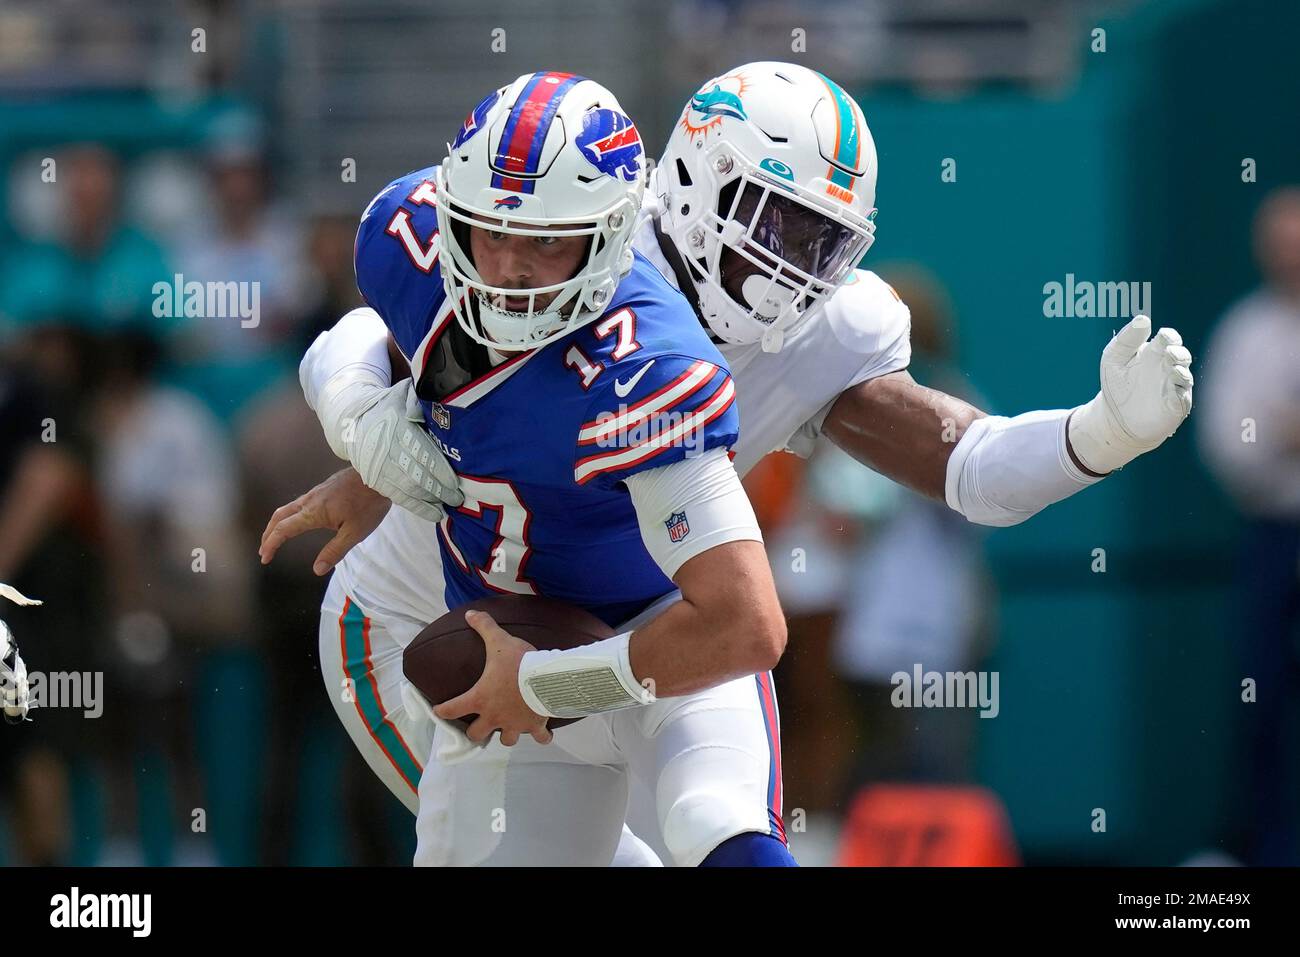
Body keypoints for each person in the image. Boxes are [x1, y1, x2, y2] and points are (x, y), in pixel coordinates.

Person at [263, 63, 1194, 865]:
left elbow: (969, 467)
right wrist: (370, 439)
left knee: (716, 821)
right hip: (434, 604)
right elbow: (387, 332)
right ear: (698, 179)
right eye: (775, 222)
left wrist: (1101, 431)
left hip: (662, 611)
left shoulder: (800, 334)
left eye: (820, 240)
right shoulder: (560, 239)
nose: (795, 264)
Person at [286, 71, 791, 866]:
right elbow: (364, 333)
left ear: (612, 235)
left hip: (663, 645)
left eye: (547, 241)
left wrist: (552, 683)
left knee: (712, 823)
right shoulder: (413, 243)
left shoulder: (646, 372)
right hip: (505, 667)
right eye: (490, 232)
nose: (511, 268)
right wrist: (357, 418)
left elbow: (745, 624)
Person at [1198, 186, 1300, 865]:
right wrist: (1281, 432)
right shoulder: (1245, 331)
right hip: (1274, 537)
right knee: (1264, 697)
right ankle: (1266, 851)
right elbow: (1228, 445)